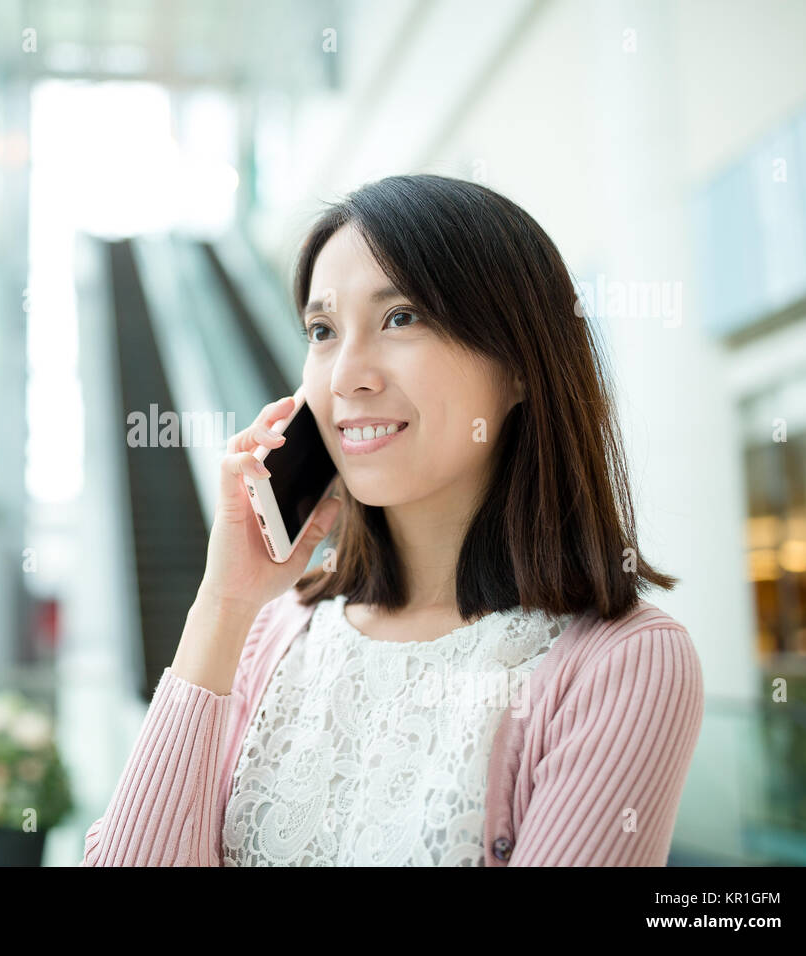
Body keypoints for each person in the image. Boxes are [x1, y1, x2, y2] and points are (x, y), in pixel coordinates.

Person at [81, 174, 704, 866]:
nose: (347, 375)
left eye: (401, 317)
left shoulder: (621, 664)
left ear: (523, 364)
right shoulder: (274, 634)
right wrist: (222, 607)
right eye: (322, 330)